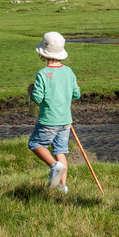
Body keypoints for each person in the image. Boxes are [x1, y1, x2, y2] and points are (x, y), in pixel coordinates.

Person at [28, 31, 80, 194]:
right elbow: (76, 94)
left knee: (35, 144)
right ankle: (61, 188)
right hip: (66, 120)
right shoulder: (69, 71)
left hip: (48, 120)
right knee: (60, 151)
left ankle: (54, 166)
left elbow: (37, 98)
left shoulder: (42, 74)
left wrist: (31, 90)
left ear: (43, 54)